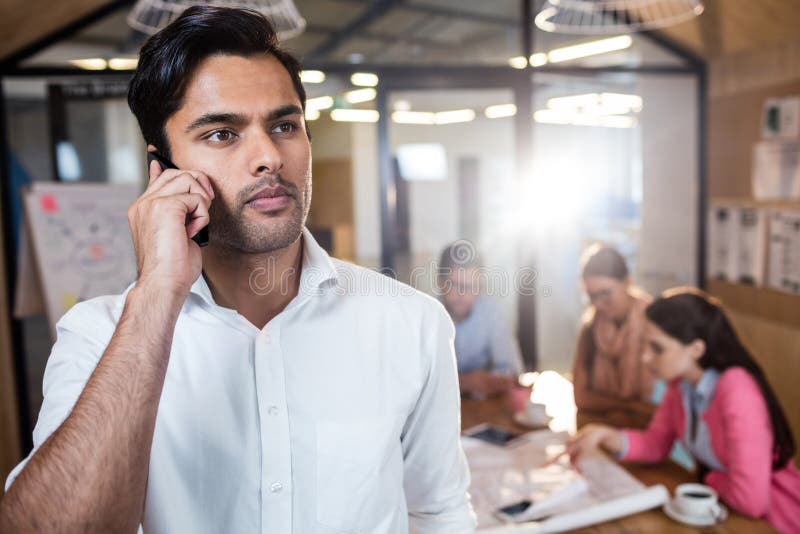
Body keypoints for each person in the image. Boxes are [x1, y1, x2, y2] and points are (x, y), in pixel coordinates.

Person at [0, 7, 476, 533]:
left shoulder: (411, 323)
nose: (269, 156)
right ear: (163, 171)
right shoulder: (98, 337)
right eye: (223, 134)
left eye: (284, 125)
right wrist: (158, 292)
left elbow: (437, 515)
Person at [567, 288, 800, 533]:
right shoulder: (681, 386)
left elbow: (751, 501)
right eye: (645, 345)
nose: (645, 357)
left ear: (696, 349)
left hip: (774, 521)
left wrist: (709, 478)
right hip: (725, 513)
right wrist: (605, 435)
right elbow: (656, 444)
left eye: (657, 348)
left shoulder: (736, 389)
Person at [571, 244, 656, 429]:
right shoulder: (589, 328)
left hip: (647, 435)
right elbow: (581, 397)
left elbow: (659, 409)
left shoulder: (655, 325)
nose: (599, 304)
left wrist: (606, 403)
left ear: (627, 281)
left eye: (605, 293)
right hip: (600, 430)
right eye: (592, 296)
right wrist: (629, 405)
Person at [437, 242, 524, 398]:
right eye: (456, 285)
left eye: (471, 286)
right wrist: (467, 382)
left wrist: (493, 380)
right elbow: (415, 380)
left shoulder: (490, 311)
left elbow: (513, 371)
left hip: (483, 409)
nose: (463, 293)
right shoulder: (426, 315)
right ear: (440, 282)